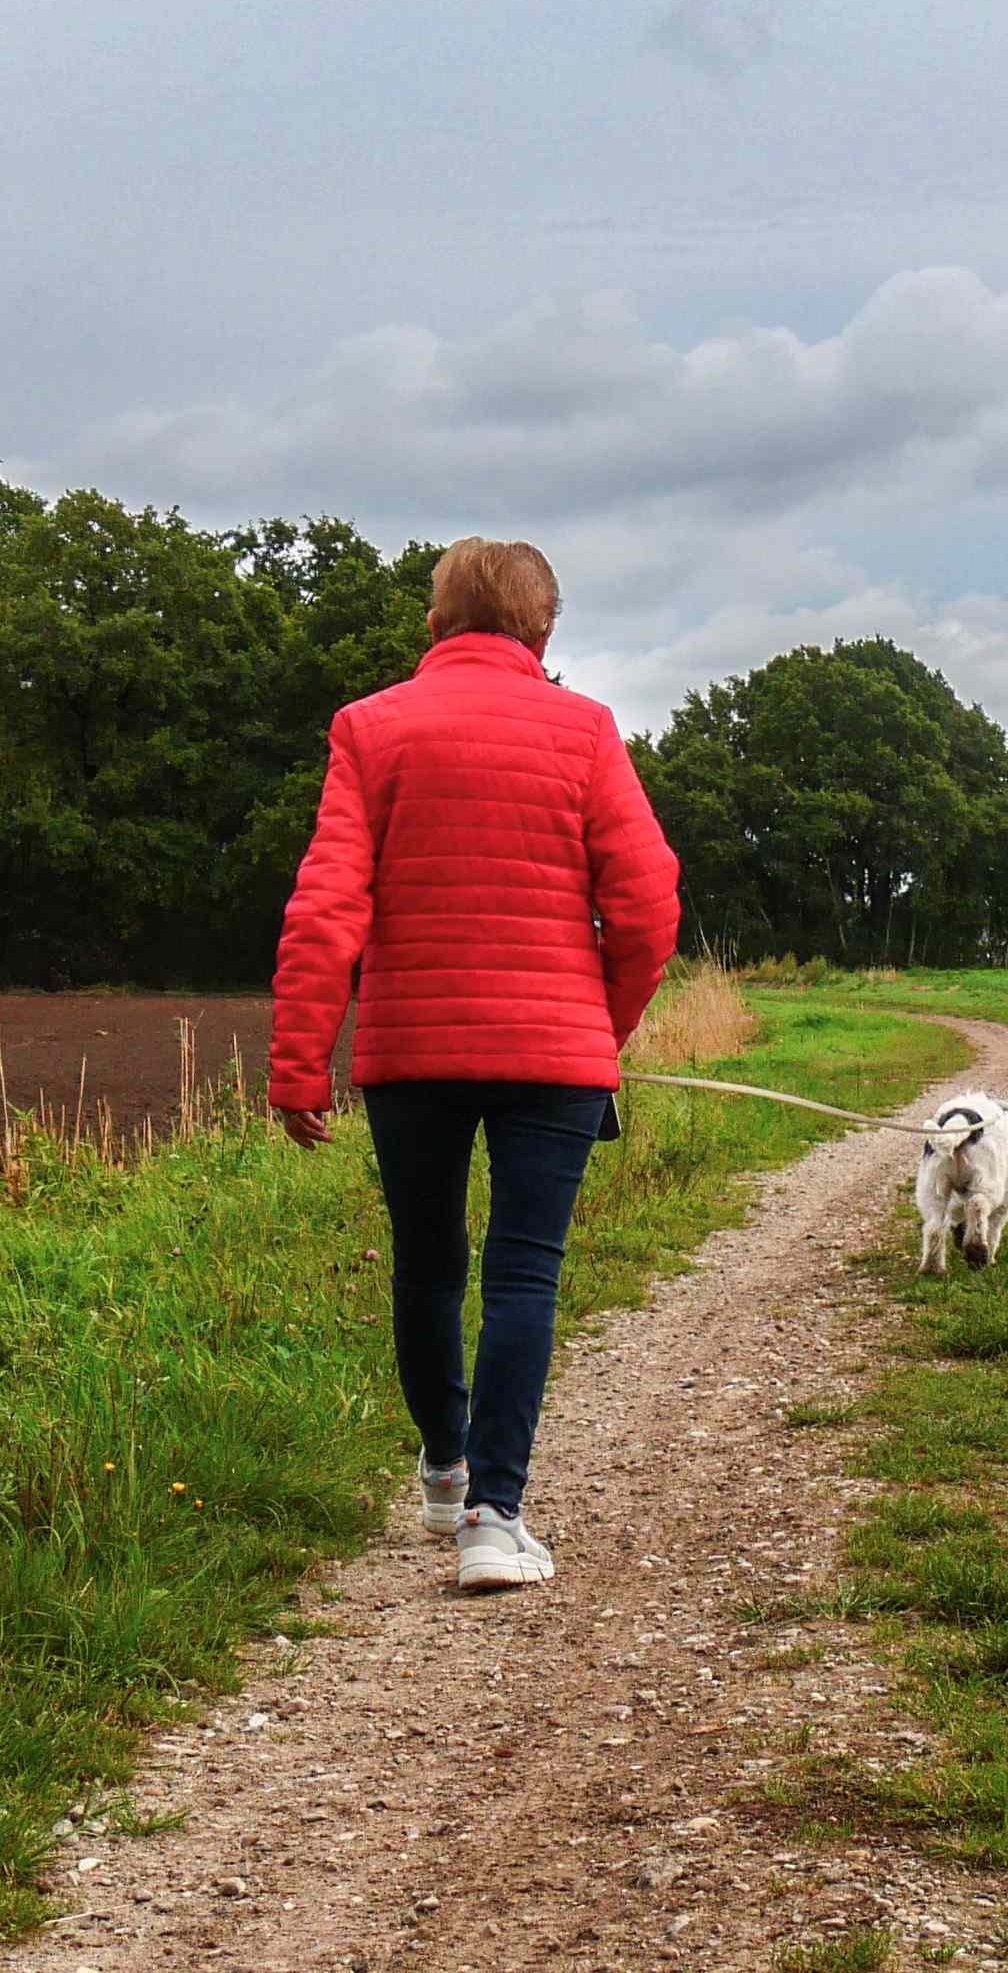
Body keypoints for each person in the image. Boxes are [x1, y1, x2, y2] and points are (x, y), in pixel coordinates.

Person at [267, 536, 682, 1593]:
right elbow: (647, 902)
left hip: (413, 1052)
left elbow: (325, 906)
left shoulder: (369, 728)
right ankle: (496, 1521)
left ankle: (446, 1471)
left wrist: (301, 1062)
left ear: (435, 621)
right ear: (544, 629)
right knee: (524, 1272)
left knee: (427, 1264)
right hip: (555, 1055)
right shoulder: (585, 729)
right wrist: (602, 1027)